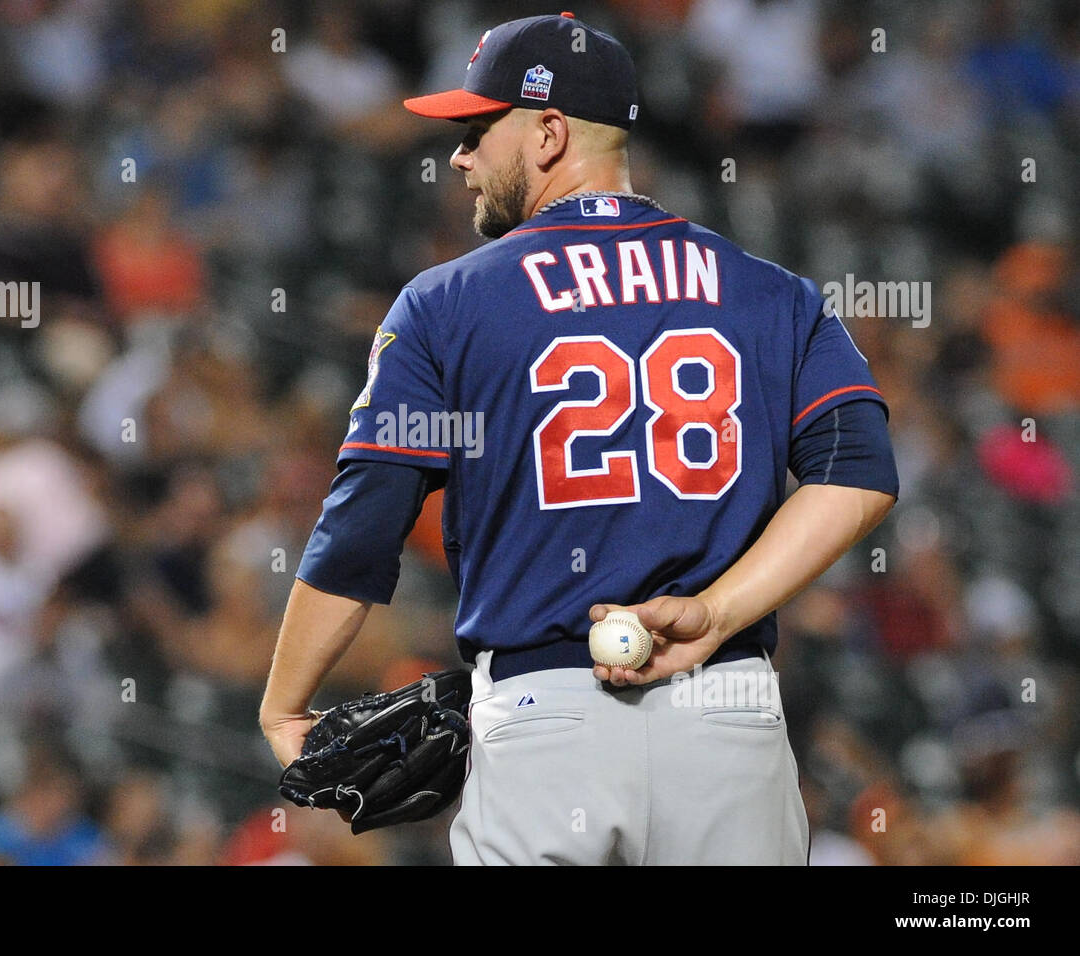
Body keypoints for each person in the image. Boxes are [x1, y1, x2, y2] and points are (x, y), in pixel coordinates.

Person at [260, 12, 898, 865]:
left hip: (545, 722)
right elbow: (858, 472)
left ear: (549, 131)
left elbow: (363, 523)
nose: (459, 157)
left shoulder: (444, 304)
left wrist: (284, 706)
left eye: (477, 130)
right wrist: (715, 612)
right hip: (729, 717)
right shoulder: (771, 292)